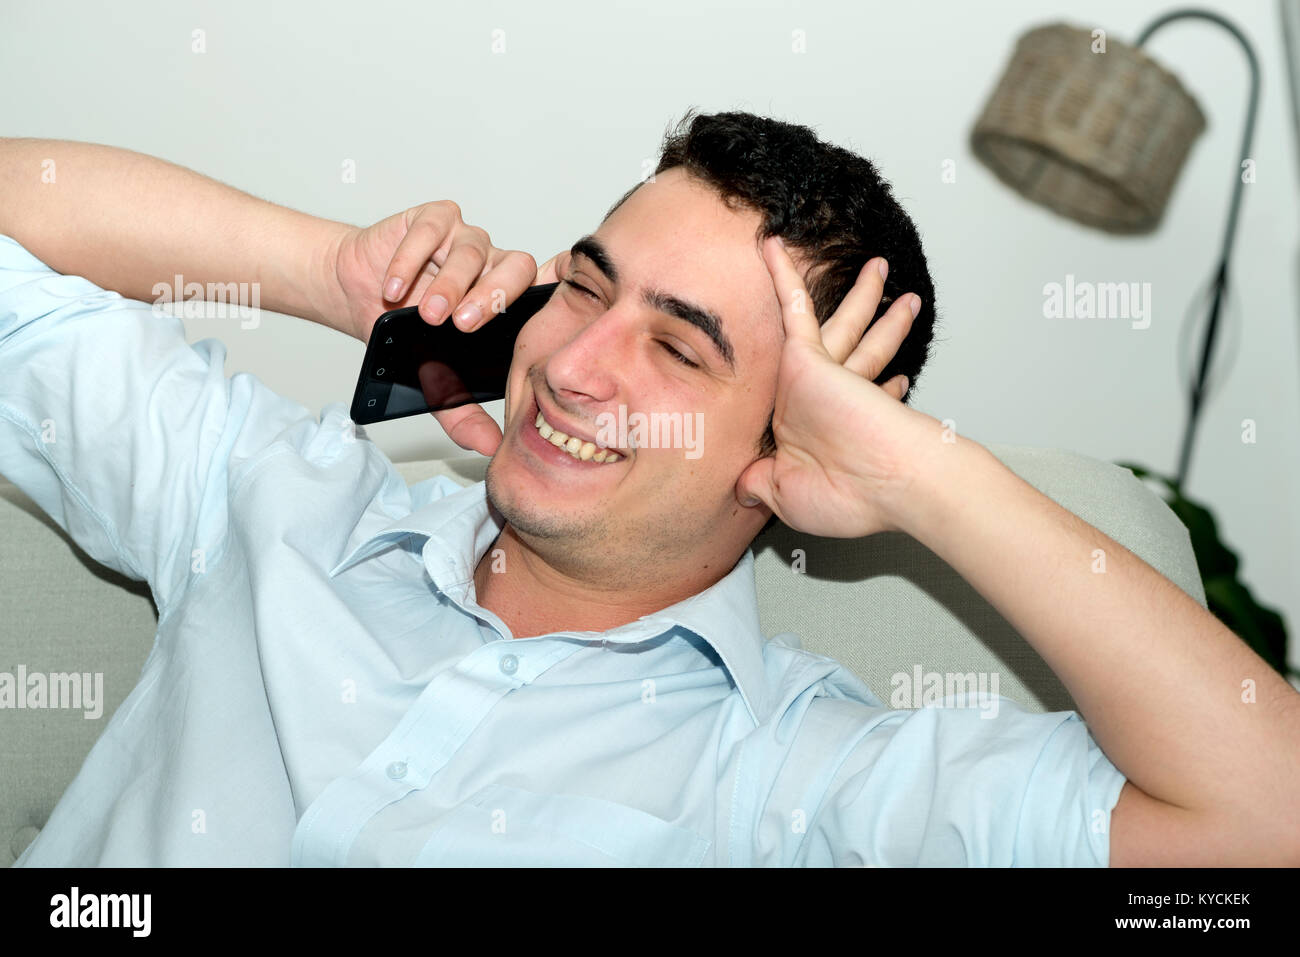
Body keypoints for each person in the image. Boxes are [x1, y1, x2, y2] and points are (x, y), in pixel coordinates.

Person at [1, 110, 1295, 867]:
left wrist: (918, 473)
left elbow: (1262, 820)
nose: (573, 362)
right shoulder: (272, 502)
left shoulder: (788, 774)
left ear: (785, 449)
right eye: (583, 285)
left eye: (679, 346)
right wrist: (327, 268)